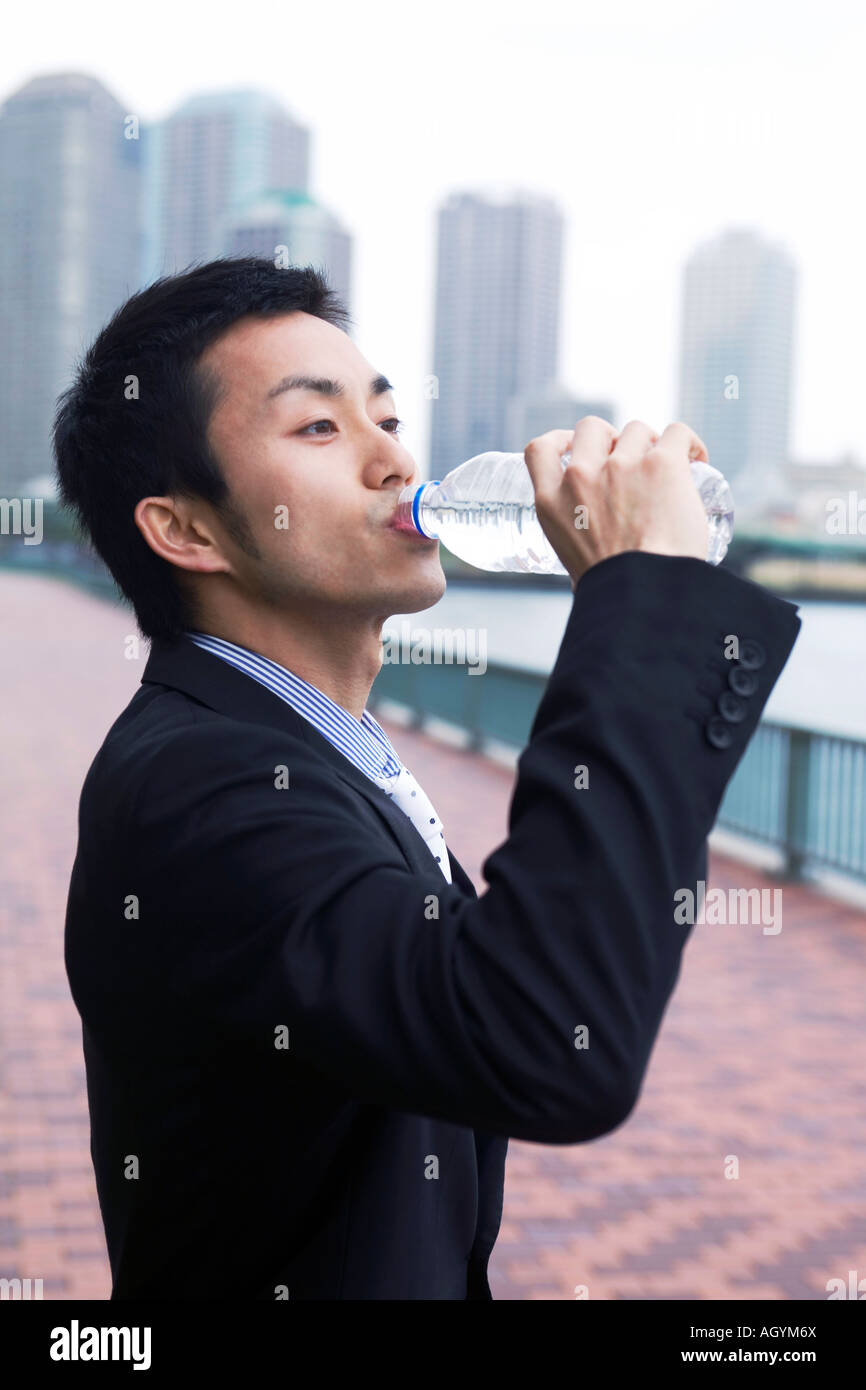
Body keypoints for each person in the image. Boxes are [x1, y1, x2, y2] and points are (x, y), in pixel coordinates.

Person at [54, 257, 801, 1300]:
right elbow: (540, 1033)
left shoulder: (309, 744)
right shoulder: (201, 787)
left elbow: (453, 1003)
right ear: (186, 528)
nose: (391, 462)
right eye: (319, 428)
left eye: (388, 418)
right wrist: (642, 601)